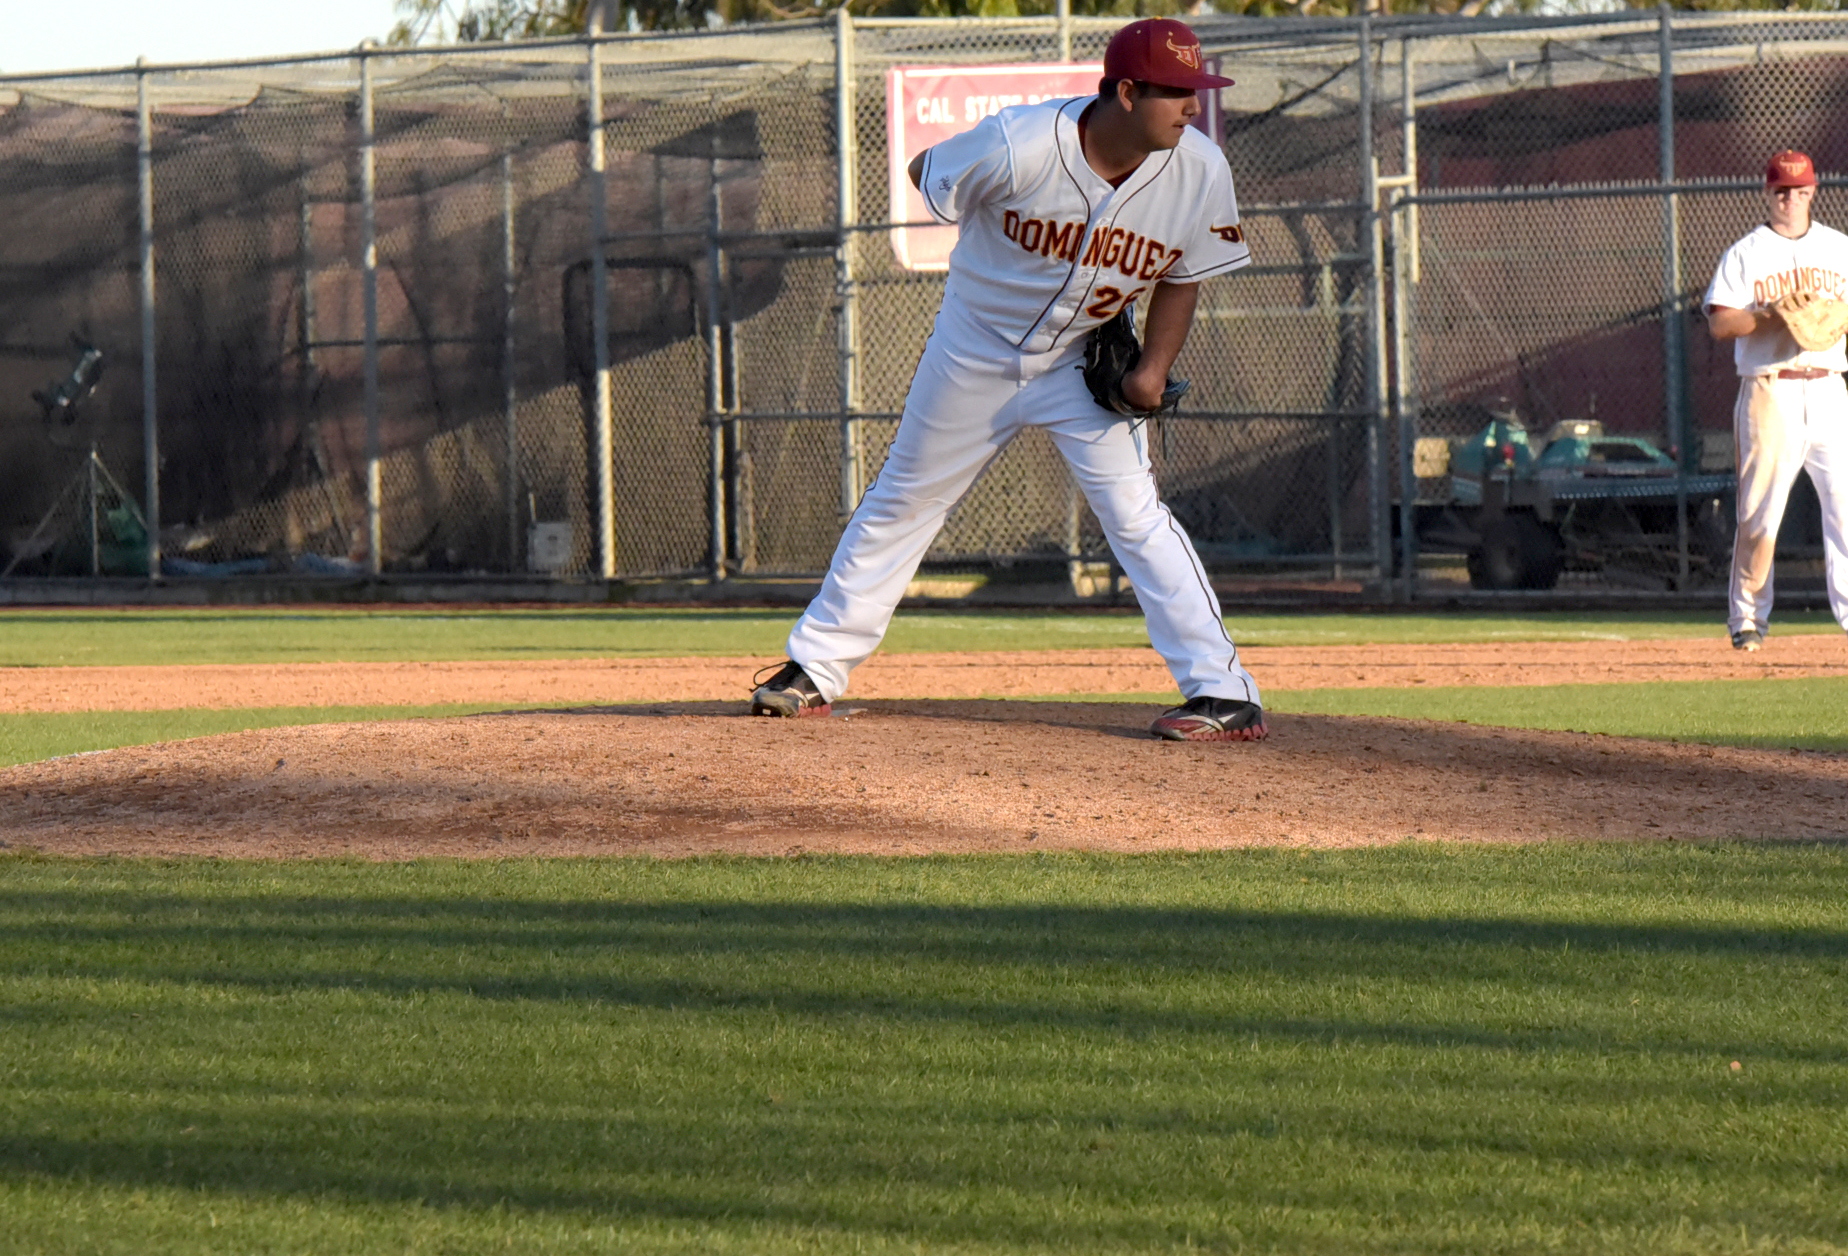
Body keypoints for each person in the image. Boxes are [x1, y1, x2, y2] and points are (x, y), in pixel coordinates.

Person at [750, 17, 1265, 741]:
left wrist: (1153, 369)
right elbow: (925, 171)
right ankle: (814, 669)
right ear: (1125, 91)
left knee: (1137, 517)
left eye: (1195, 91)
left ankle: (1223, 690)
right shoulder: (1018, 143)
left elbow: (1185, 275)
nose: (1192, 105)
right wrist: (957, 182)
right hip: (972, 353)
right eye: (1176, 91)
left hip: (1080, 365)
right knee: (905, 499)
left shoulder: (1199, 167)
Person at [1704, 149, 1848, 651]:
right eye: (1781, 190)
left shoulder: (1838, 249)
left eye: (1799, 189)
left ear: (1813, 191)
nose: (1790, 198)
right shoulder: (1747, 253)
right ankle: (1747, 619)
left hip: (1830, 386)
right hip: (1771, 390)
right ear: (1768, 193)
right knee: (1761, 513)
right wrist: (1768, 315)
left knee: (1846, 508)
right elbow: (1721, 322)